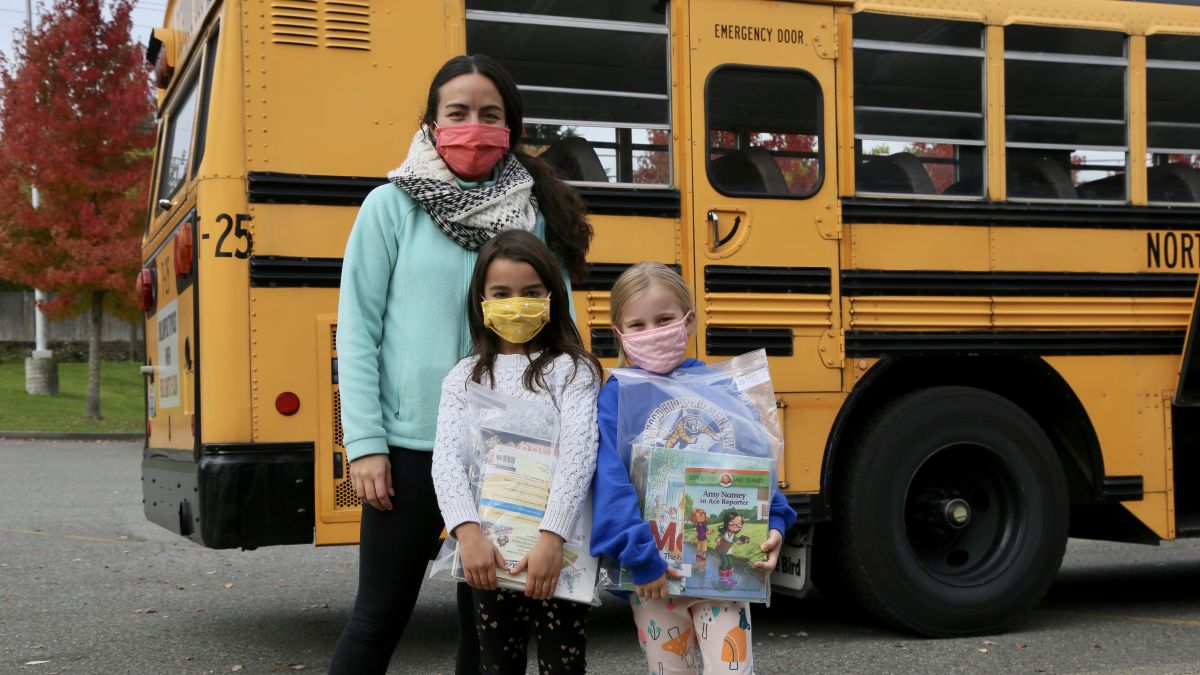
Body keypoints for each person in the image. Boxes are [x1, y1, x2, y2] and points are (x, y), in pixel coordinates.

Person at [331, 54, 592, 675]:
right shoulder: (389, 208)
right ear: (431, 121)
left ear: (511, 127)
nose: (473, 126)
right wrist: (364, 442)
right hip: (411, 453)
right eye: (458, 113)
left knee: (488, 639)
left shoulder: (533, 214)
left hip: (512, 459)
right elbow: (359, 332)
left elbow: (565, 329)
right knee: (378, 617)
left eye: (490, 114)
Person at [589, 262, 797, 675]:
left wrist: (774, 520)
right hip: (653, 578)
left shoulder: (721, 386)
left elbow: (753, 466)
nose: (653, 331)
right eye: (638, 323)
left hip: (724, 573)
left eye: (664, 319)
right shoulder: (617, 396)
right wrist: (640, 556)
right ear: (620, 333)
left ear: (689, 320)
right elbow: (610, 481)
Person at [432, 230, 601, 674]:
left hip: (559, 554)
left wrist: (552, 537)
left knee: (564, 664)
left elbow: (580, 455)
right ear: (481, 302)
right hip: (490, 554)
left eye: (531, 293)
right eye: (501, 293)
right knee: (496, 664)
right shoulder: (464, 377)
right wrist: (466, 534)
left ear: (551, 295)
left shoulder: (574, 371)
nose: (516, 302)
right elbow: (446, 460)